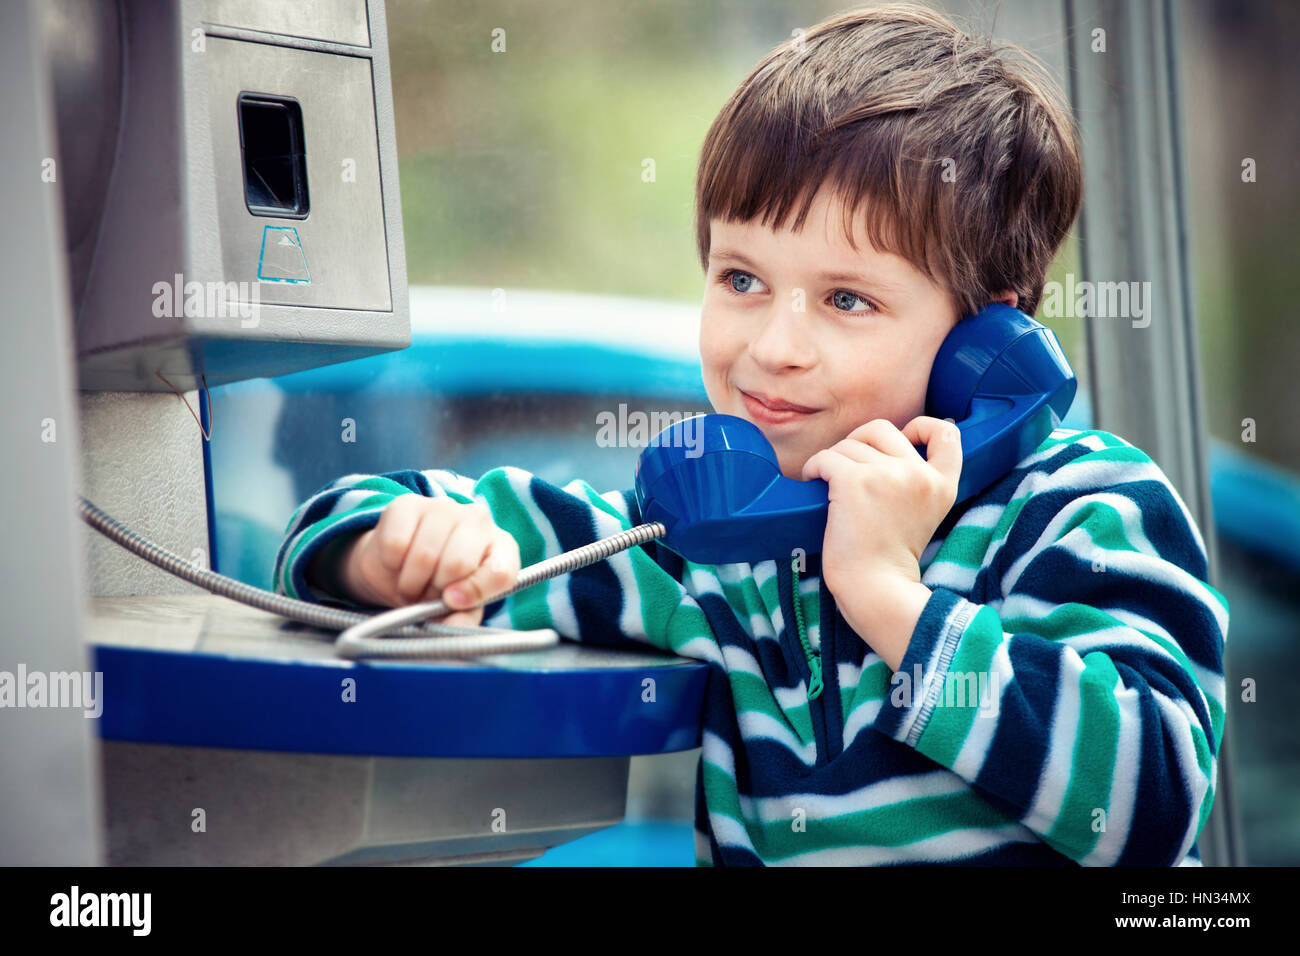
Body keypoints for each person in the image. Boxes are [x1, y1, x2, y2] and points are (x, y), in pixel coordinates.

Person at [274, 3, 1228, 866]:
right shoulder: (708, 544)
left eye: (848, 299)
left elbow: (1150, 806)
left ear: (986, 336)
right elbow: (375, 523)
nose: (774, 347)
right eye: (741, 280)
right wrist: (384, 552)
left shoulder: (1083, 512)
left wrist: (892, 600)